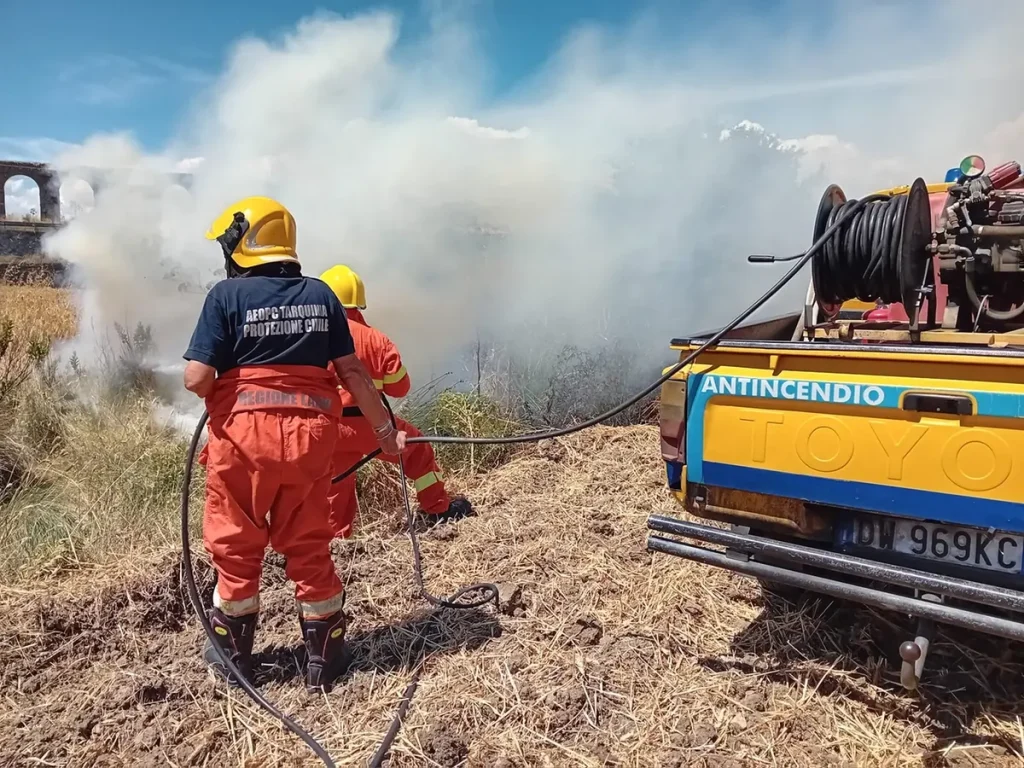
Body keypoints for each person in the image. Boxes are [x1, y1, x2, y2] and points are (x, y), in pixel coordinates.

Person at [182, 197, 406, 693]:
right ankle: (325, 656)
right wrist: (388, 436)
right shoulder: (323, 296)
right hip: (310, 440)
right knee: (307, 540)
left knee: (236, 542)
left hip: (243, 440)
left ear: (243, 242)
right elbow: (353, 374)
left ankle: (234, 653)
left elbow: (196, 379)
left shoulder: (225, 296)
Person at [318, 264, 474, 539]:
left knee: (337, 484)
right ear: (359, 303)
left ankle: (336, 540)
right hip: (375, 426)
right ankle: (437, 508)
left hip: (328, 427)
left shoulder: (312, 339)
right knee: (418, 449)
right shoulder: (377, 340)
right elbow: (400, 388)